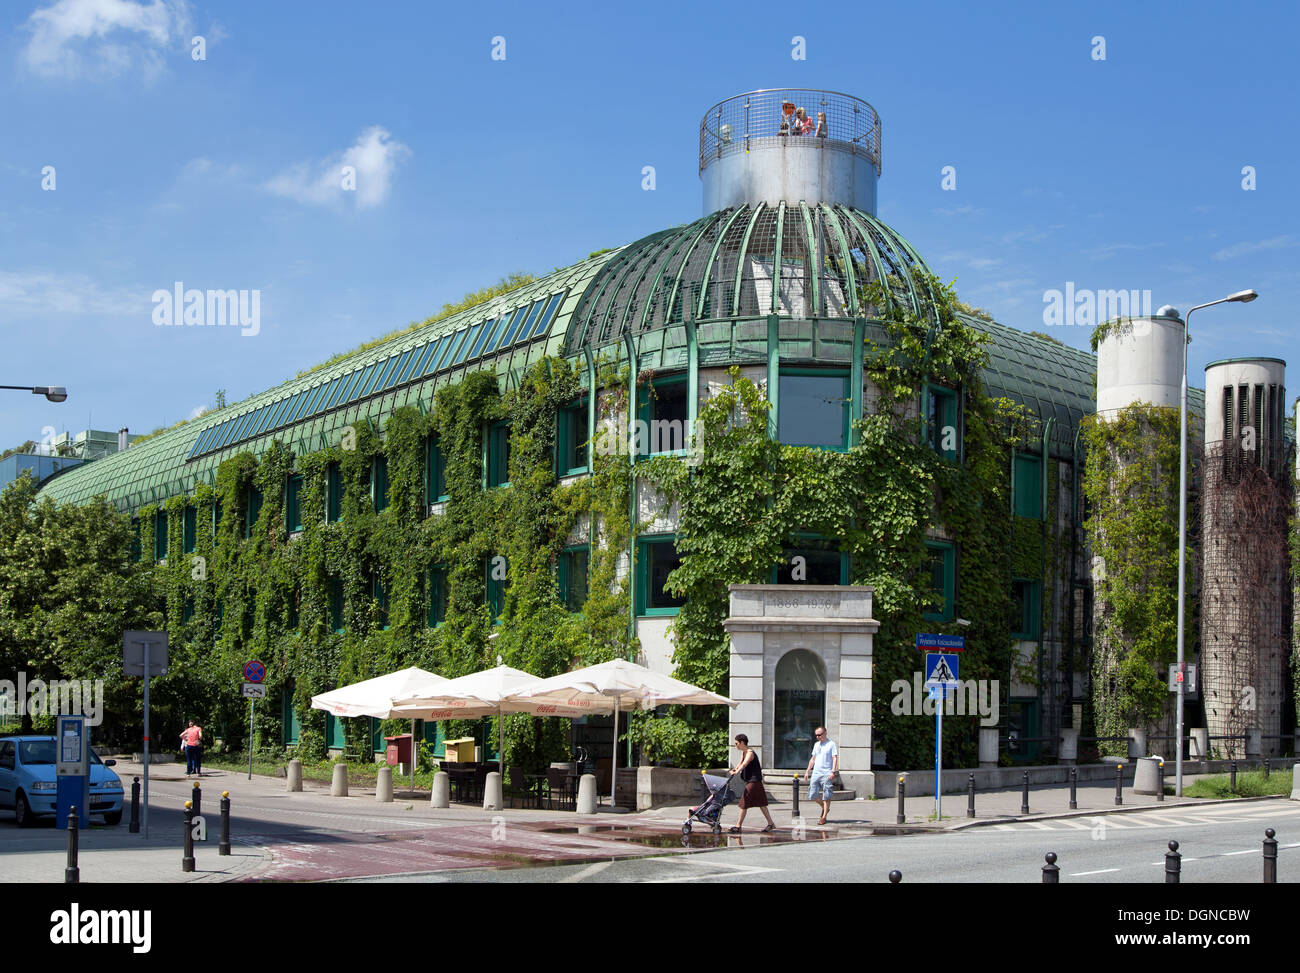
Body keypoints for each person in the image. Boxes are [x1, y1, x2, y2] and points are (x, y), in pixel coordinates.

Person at [728, 734, 775, 833]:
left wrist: (737, 772)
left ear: (742, 743)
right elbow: (740, 763)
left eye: (736, 743)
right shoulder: (744, 752)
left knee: (744, 802)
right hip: (753, 781)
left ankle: (738, 826)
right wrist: (735, 769)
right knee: (762, 803)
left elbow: (745, 764)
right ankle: (771, 824)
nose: (735, 745)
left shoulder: (750, 752)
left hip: (754, 781)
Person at [803, 725, 838, 825]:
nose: (817, 737)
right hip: (816, 772)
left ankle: (824, 817)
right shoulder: (816, 745)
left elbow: (834, 758)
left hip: (827, 773)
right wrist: (807, 771)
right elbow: (813, 759)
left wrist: (833, 771)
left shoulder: (831, 744)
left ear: (825, 733)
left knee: (827, 795)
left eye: (819, 735)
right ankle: (824, 808)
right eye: (816, 735)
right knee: (812, 794)